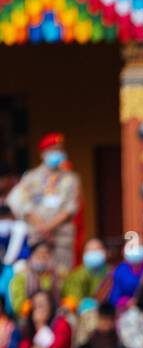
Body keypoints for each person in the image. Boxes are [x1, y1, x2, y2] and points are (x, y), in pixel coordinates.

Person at [7, 133, 81, 273]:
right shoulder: (30, 177)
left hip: (61, 239)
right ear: (43, 153)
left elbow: (71, 208)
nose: (57, 153)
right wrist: (41, 226)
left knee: (62, 276)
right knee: (35, 277)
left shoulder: (71, 178)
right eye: (53, 149)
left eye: (59, 149)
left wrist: (49, 227)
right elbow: (19, 202)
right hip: (36, 237)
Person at [109, 237, 143, 309]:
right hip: (126, 311)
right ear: (124, 250)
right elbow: (114, 297)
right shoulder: (120, 270)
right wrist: (126, 302)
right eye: (131, 246)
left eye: (139, 246)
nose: (135, 249)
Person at [62, 237, 113, 311]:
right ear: (84, 254)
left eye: (96, 250)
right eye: (90, 250)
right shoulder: (76, 275)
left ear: (105, 252)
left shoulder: (113, 273)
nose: (93, 253)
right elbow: (72, 299)